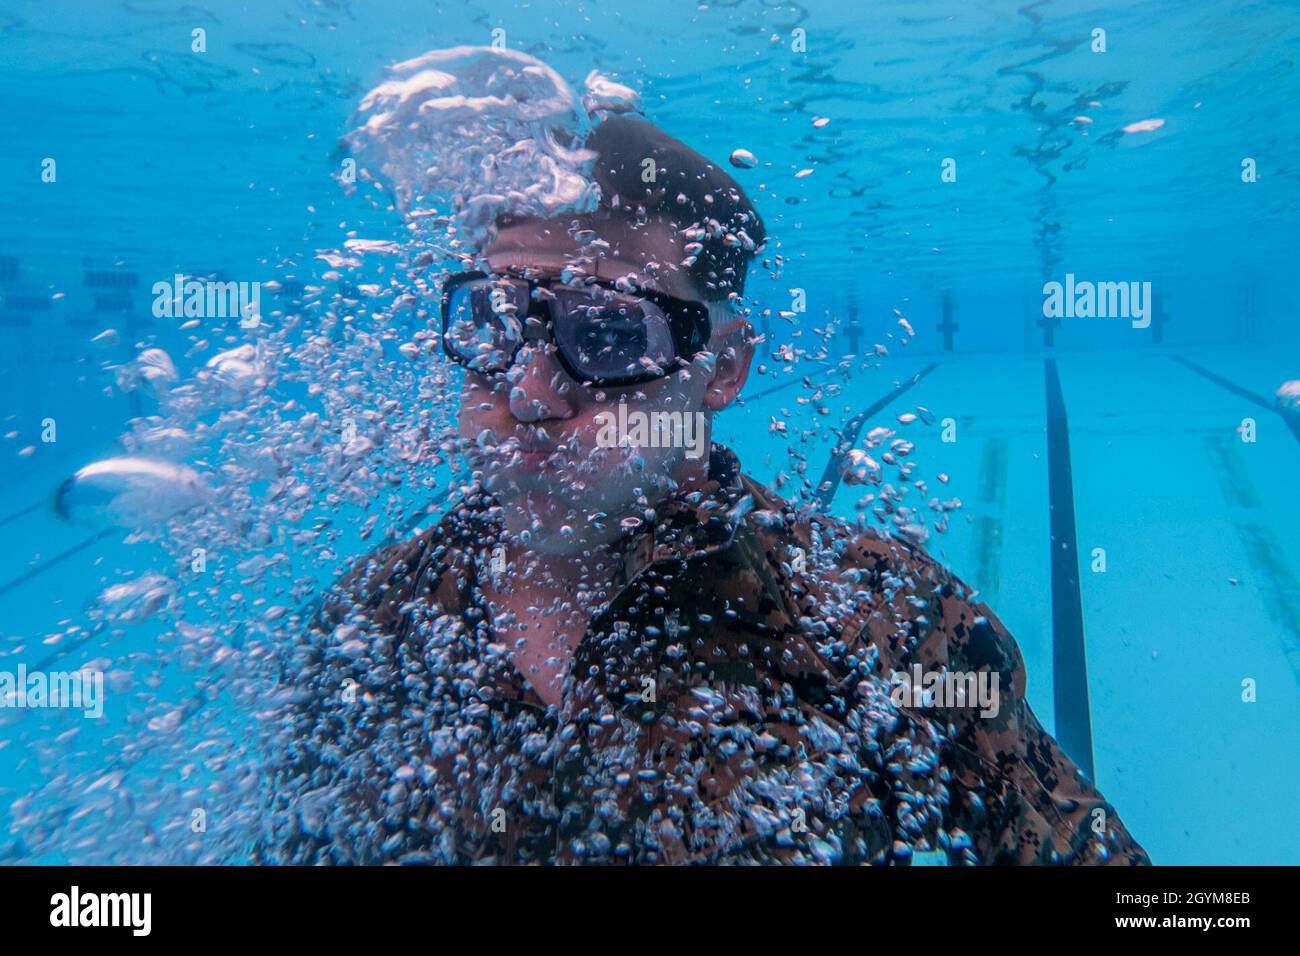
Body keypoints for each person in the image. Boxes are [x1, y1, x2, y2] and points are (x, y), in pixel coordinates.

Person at [259, 115, 1149, 866]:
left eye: (607, 334)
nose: (528, 395)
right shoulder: (368, 629)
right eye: (494, 326)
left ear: (723, 369)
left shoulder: (881, 623)